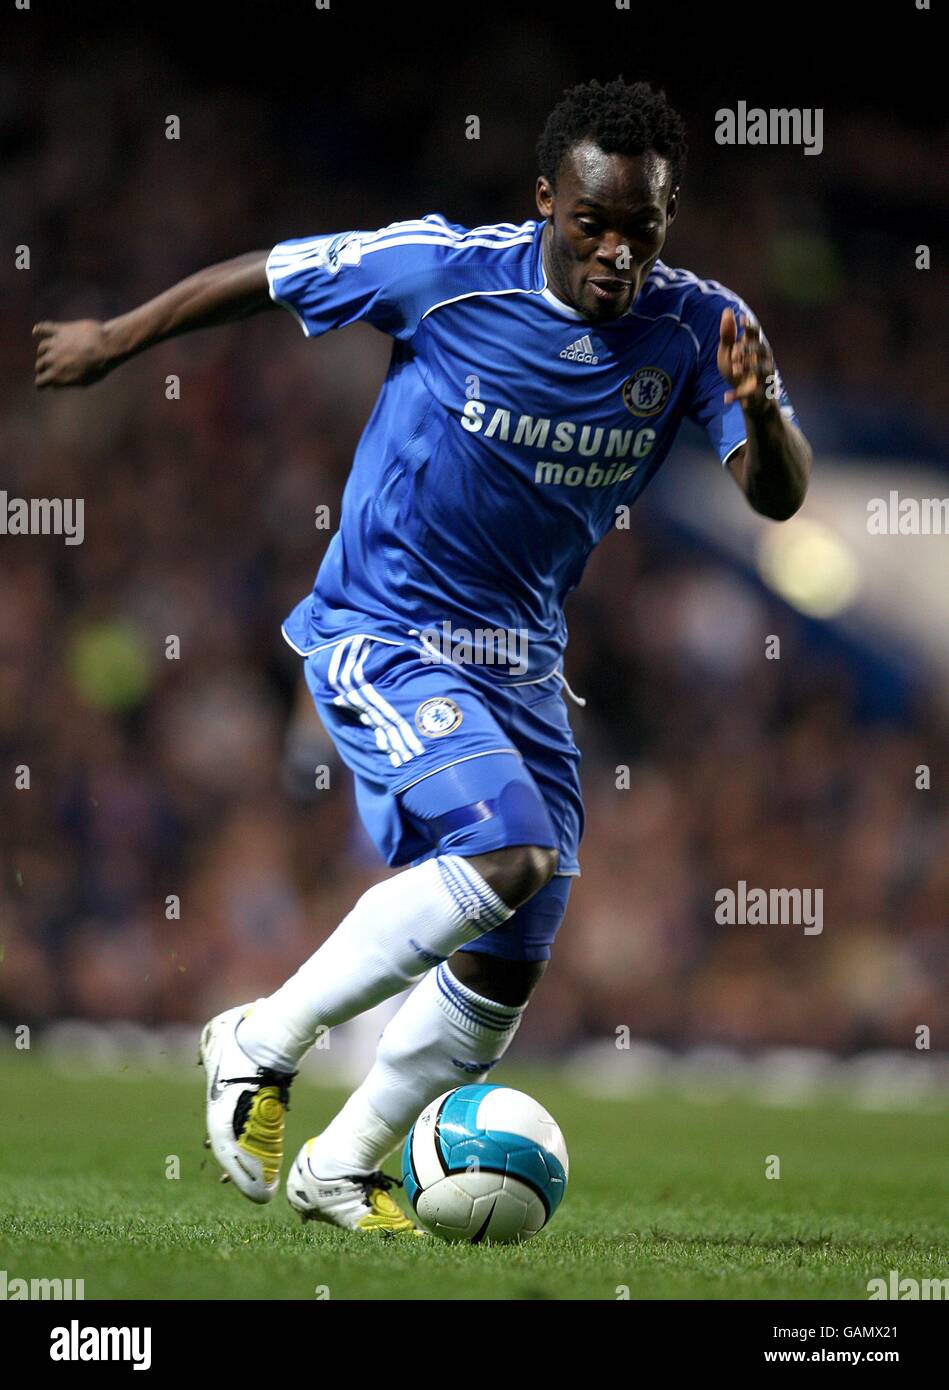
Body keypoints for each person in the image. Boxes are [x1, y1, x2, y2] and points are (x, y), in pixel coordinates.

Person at [33, 77, 811, 1234]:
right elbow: (269, 274)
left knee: (508, 961)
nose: (613, 253)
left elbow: (774, 496)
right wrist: (114, 338)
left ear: (667, 217)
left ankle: (340, 1167)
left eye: (638, 229)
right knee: (507, 853)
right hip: (384, 629)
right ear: (544, 200)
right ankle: (262, 1036)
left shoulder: (701, 328)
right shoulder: (446, 271)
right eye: (589, 223)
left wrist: (767, 415)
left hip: (523, 664)